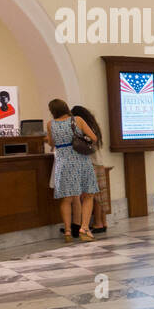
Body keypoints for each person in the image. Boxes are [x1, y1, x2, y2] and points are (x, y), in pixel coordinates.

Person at [48, 98, 99, 242]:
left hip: (63, 162)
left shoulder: (50, 124)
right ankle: (84, 229)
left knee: (67, 198)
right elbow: (93, 138)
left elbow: (51, 143)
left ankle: (68, 232)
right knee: (88, 194)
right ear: (65, 108)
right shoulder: (77, 120)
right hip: (80, 160)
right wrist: (79, 137)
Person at [69, 105, 108, 237]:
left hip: (90, 163)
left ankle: (97, 223)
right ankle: (102, 222)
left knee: (92, 195)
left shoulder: (82, 128)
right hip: (99, 162)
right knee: (99, 196)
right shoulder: (93, 126)